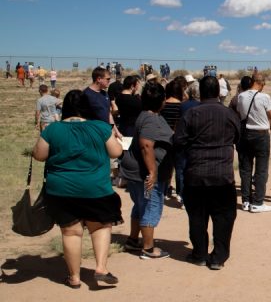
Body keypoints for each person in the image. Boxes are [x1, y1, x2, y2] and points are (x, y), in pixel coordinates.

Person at [32, 90, 123, 288]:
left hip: (62, 189)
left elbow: (39, 155)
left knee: (71, 233)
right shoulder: (99, 127)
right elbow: (116, 151)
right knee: (99, 227)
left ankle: (74, 277)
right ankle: (100, 268)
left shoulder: (53, 129)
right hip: (95, 187)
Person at [173, 76, 240, 270]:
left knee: (197, 216)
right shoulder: (229, 114)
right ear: (219, 92)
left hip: (196, 174)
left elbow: (179, 141)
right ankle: (218, 257)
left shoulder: (191, 114)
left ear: (200, 92)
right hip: (223, 175)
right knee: (224, 217)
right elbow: (238, 136)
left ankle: (200, 253)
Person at [120, 83, 173, 259]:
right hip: (145, 174)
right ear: (161, 100)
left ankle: (133, 240)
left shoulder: (146, 115)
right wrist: (153, 171)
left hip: (136, 171)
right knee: (151, 207)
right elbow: (146, 145)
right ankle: (148, 249)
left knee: (140, 206)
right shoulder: (151, 119)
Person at [236, 73, 271, 213]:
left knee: (245, 169)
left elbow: (240, 113)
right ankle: (258, 202)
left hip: (245, 134)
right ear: (261, 83)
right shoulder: (264, 97)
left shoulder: (241, 96)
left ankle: (246, 200)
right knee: (261, 169)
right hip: (261, 134)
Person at [84, 67, 123, 139]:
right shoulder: (86, 95)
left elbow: (109, 115)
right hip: (93, 136)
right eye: (107, 79)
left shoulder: (105, 94)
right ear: (99, 79)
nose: (110, 81)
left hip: (106, 133)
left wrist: (116, 131)